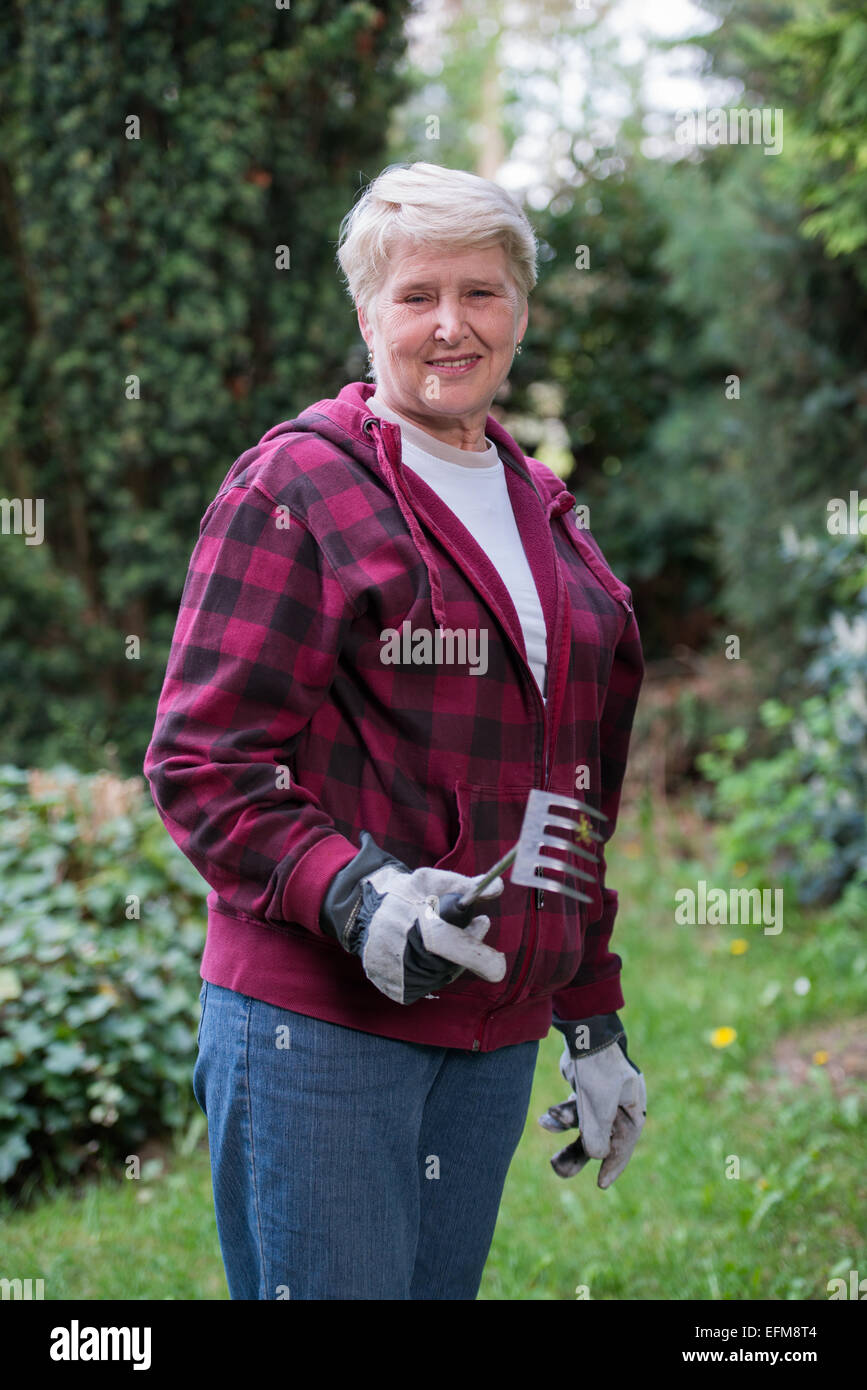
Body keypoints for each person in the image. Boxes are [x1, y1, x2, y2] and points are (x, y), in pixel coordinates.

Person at [144, 161, 647, 1301]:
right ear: (369, 313)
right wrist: (360, 893)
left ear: (521, 308)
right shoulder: (299, 487)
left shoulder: (547, 511)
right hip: (319, 1025)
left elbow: (569, 794)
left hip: (490, 1029)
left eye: (483, 292)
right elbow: (201, 761)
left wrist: (592, 1012)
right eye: (418, 294)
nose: (451, 324)